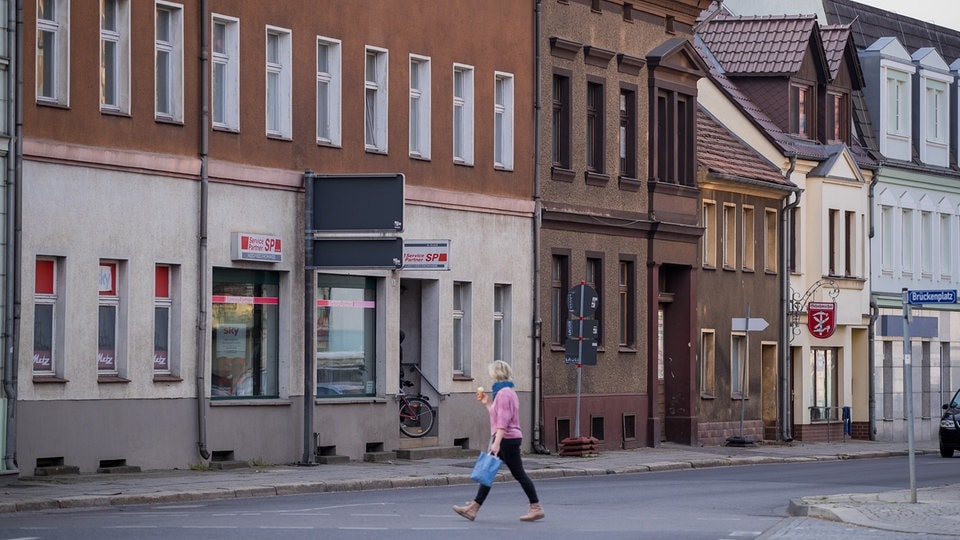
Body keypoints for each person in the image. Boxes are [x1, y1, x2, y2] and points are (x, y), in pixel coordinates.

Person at [453, 360, 545, 522]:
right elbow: (498, 417)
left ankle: (536, 507)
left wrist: (496, 443)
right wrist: (487, 403)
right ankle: (473, 508)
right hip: (508, 438)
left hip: (506, 439)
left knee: (518, 474)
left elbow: (503, 421)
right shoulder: (508, 391)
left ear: (495, 373)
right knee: (489, 473)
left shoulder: (503, 394)